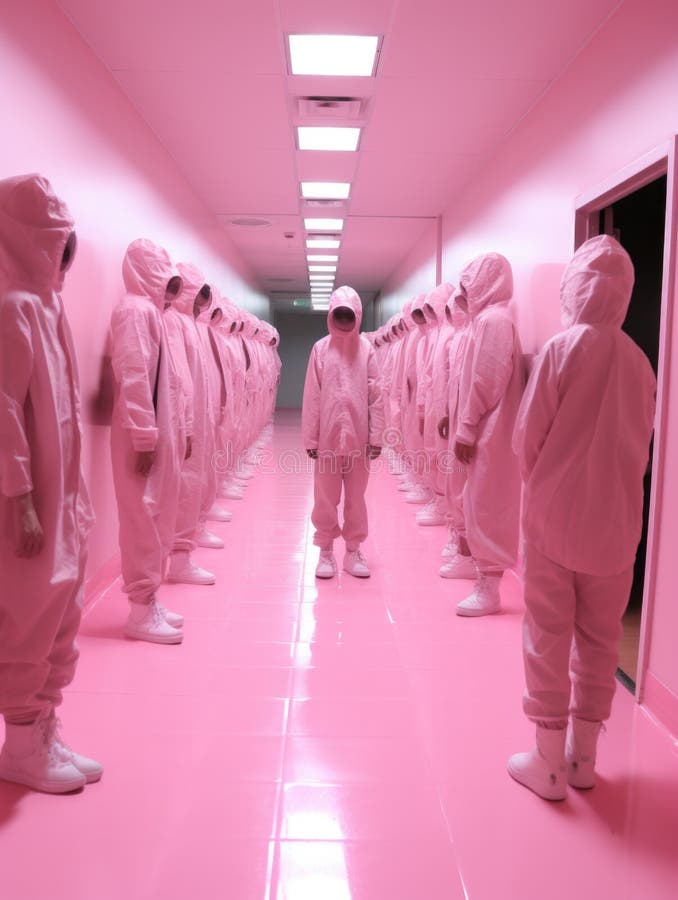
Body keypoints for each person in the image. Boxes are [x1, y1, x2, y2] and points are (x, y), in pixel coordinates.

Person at [508, 235, 656, 801]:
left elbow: (527, 439)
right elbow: (640, 445)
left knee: (547, 635)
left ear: (574, 288)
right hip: (616, 529)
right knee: (599, 640)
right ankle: (583, 760)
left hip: (553, 521)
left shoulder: (560, 350)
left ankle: (546, 764)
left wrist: (544, 487)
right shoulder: (641, 363)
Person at [0, 174, 101, 792]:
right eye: (55, 241)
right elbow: (4, 407)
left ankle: (44, 731)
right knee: (30, 614)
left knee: (62, 607)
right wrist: (21, 498)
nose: (63, 255)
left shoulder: (47, 305)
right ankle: (21, 741)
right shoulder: (13, 306)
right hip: (31, 501)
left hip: (63, 496)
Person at [110, 238, 186, 644]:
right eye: (164, 277)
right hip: (142, 437)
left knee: (155, 515)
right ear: (144, 271)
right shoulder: (135, 312)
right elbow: (134, 374)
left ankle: (148, 600)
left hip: (155, 434)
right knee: (142, 518)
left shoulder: (148, 313)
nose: (169, 288)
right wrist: (143, 436)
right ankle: (139, 611)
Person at [453, 253, 525, 615]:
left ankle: (490, 588)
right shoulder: (487, 320)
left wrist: (466, 427)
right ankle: (483, 577)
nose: (465, 292)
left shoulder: (494, 321)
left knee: (486, 503)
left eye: (470, 284)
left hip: (489, 429)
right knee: (476, 500)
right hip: (485, 428)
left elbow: (486, 379)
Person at [302, 286, 384, 578]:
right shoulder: (321, 349)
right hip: (327, 438)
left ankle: (352, 550)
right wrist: (311, 437)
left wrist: (377, 436)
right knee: (325, 495)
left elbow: (376, 396)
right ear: (331, 315)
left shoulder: (367, 350)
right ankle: (325, 551)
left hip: (359, 439)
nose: (345, 320)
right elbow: (313, 396)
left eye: (350, 315)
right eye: (340, 314)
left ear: (358, 316)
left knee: (356, 496)